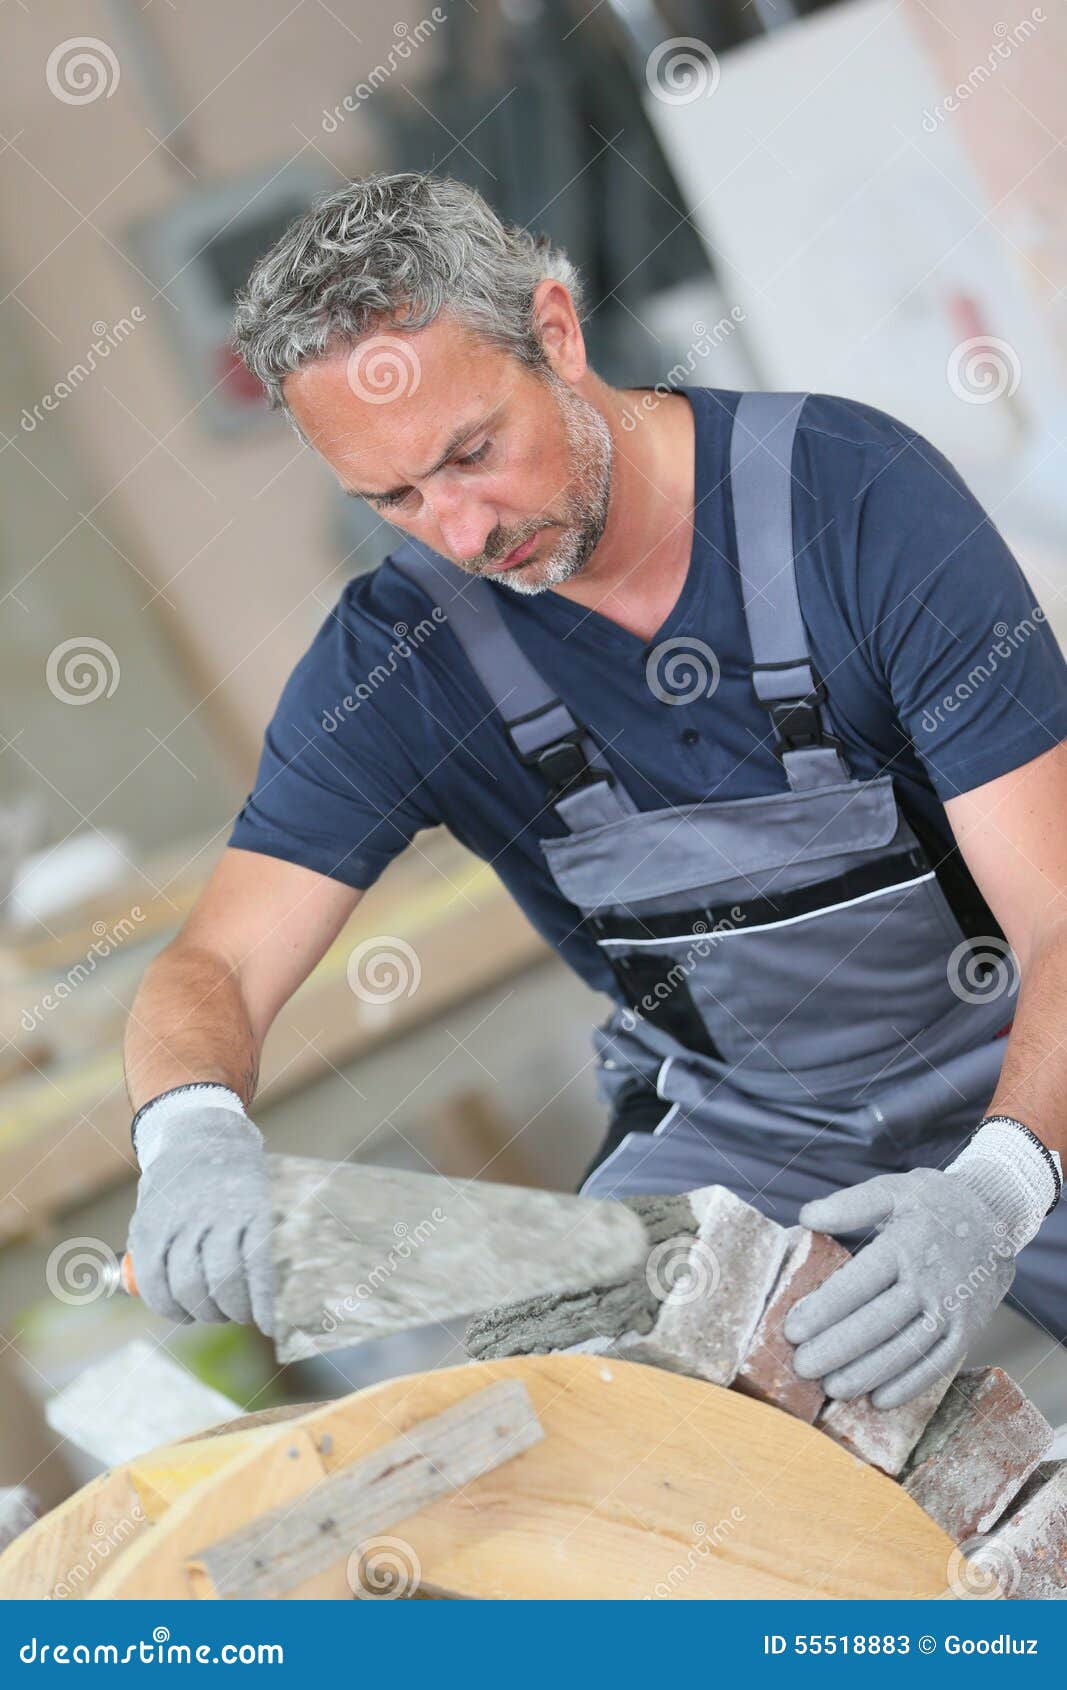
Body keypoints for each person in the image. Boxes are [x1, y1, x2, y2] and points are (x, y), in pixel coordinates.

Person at [124, 173, 1066, 1410]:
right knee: (581, 1425)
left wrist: (995, 1186)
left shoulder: (851, 498)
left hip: (1023, 1051)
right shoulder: (401, 654)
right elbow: (218, 968)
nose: (458, 532)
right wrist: (186, 1128)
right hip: (753, 1126)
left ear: (556, 333)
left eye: (472, 454)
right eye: (394, 500)